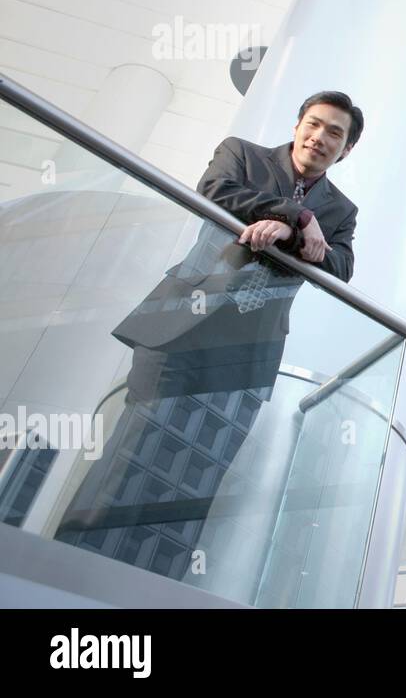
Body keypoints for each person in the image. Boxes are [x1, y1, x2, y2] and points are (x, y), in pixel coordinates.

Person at [53, 91, 363, 581]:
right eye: (314, 124)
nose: (319, 137)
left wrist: (295, 234)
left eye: (334, 134)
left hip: (248, 351)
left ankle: (149, 589)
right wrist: (296, 217)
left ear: (345, 151)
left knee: (195, 479)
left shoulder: (342, 211)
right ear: (297, 124)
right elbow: (214, 190)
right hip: (184, 327)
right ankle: (67, 575)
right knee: (132, 454)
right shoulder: (242, 153)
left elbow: (341, 266)